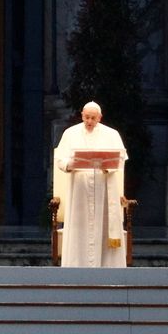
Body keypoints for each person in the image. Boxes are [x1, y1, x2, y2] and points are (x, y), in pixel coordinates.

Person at [52, 101, 129, 268]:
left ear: (100, 118)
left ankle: (107, 269)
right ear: (81, 115)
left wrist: (107, 165)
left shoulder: (111, 134)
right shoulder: (70, 133)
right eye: (86, 117)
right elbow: (60, 159)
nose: (89, 121)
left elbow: (121, 158)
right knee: (80, 230)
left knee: (103, 228)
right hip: (79, 190)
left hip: (104, 190)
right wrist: (69, 164)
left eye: (93, 118)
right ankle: (77, 268)